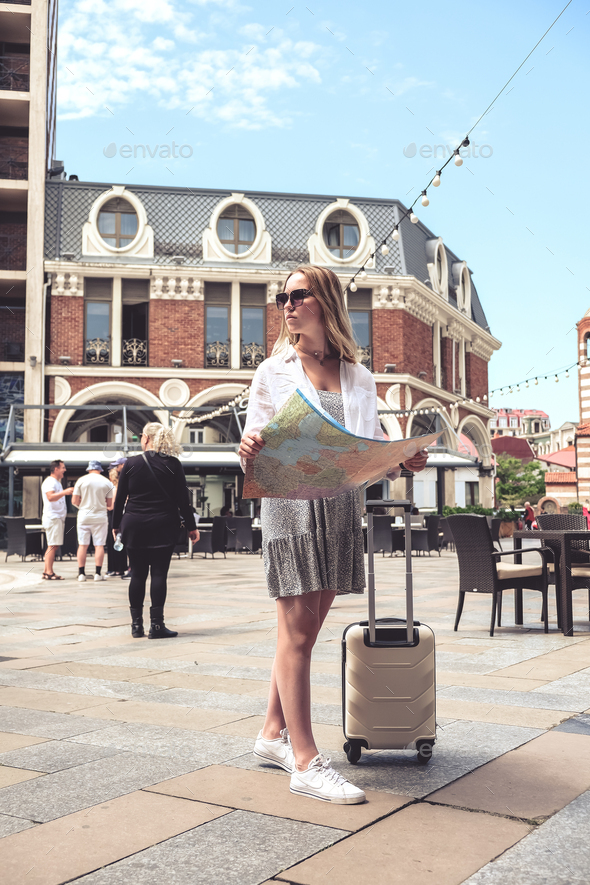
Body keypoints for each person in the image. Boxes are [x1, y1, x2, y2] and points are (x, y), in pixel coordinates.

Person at [239, 265, 428, 805]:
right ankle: (305, 762)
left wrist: (402, 460)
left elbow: (368, 453)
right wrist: (249, 447)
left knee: (302, 635)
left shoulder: (359, 377)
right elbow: (254, 442)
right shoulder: (273, 372)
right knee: (297, 637)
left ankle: (272, 733)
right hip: (292, 508)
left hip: (342, 508)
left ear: (323, 301)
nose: (287, 305)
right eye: (282, 298)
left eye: (296, 295)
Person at [112, 422, 199, 639]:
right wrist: (191, 527)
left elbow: (120, 498)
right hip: (163, 524)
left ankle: (136, 626)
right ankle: (157, 626)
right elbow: (183, 500)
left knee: (137, 575)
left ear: (146, 438)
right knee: (159, 574)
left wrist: (116, 526)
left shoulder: (130, 464)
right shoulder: (173, 464)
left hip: (134, 525)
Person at [72, 461, 114, 582]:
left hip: (84, 515)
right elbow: (110, 504)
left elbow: (74, 501)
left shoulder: (81, 480)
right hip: (100, 516)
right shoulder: (107, 482)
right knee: (99, 545)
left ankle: (81, 574)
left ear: (89, 469)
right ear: (100, 470)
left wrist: (83, 506)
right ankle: (97, 573)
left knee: (82, 545)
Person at [41, 459, 74, 580]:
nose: (64, 470)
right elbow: (50, 497)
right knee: (52, 545)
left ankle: (46, 571)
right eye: (63, 468)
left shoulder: (56, 482)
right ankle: (49, 572)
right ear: (56, 469)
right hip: (53, 517)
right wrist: (65, 492)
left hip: (56, 517)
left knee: (53, 545)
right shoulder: (50, 482)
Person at [106, 462, 128, 576]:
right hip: (123, 515)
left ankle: (116, 568)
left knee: (114, 542)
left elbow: (111, 506)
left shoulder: (113, 489)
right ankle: (122, 567)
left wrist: (103, 506)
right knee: (121, 541)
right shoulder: (123, 487)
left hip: (113, 516)